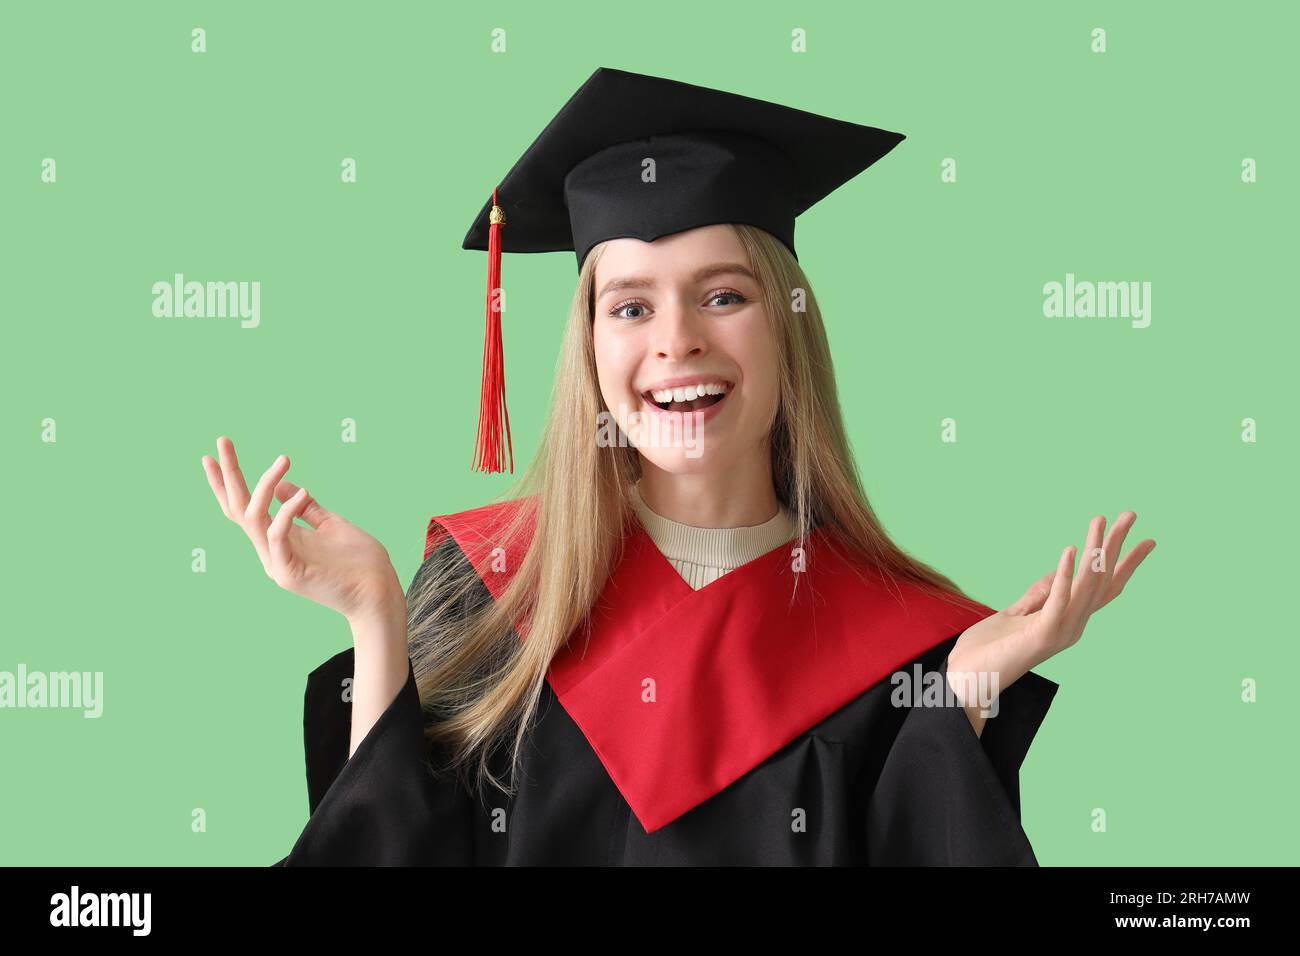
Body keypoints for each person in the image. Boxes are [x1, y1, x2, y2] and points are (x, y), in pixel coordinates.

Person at [201, 67, 1155, 865]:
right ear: (586, 348)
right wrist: (377, 619)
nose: (678, 342)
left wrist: (964, 699)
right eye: (629, 307)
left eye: (724, 294)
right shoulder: (491, 588)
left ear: (791, 333)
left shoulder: (902, 649)